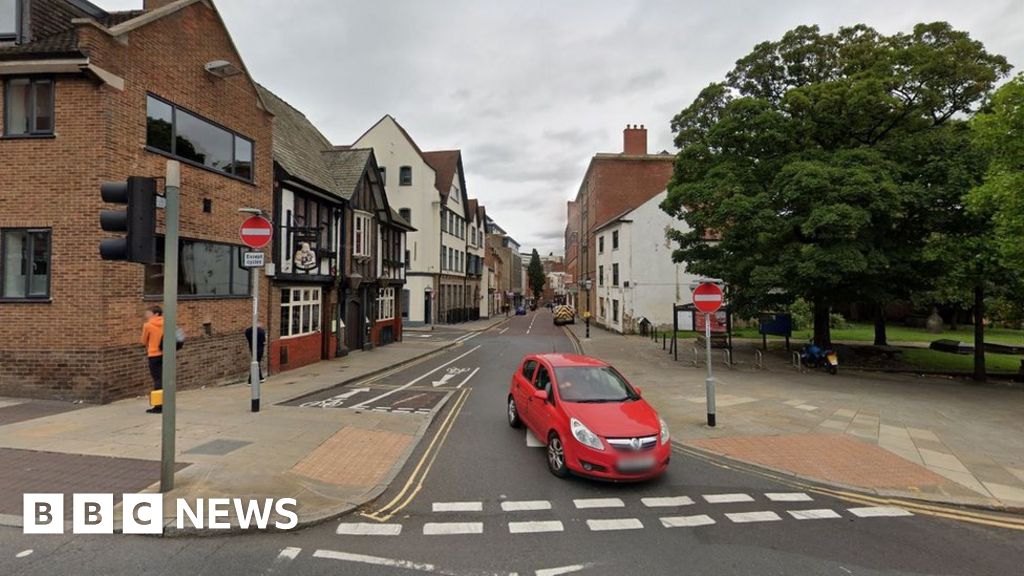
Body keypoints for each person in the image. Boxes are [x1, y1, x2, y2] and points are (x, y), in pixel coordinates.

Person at [140, 305, 164, 414]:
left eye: (149, 313)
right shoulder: (167, 323)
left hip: (154, 355)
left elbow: (143, 341)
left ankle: (158, 406)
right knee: (164, 379)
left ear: (156, 314)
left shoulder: (148, 325)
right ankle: (166, 403)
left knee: (157, 380)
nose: (147, 315)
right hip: (165, 355)